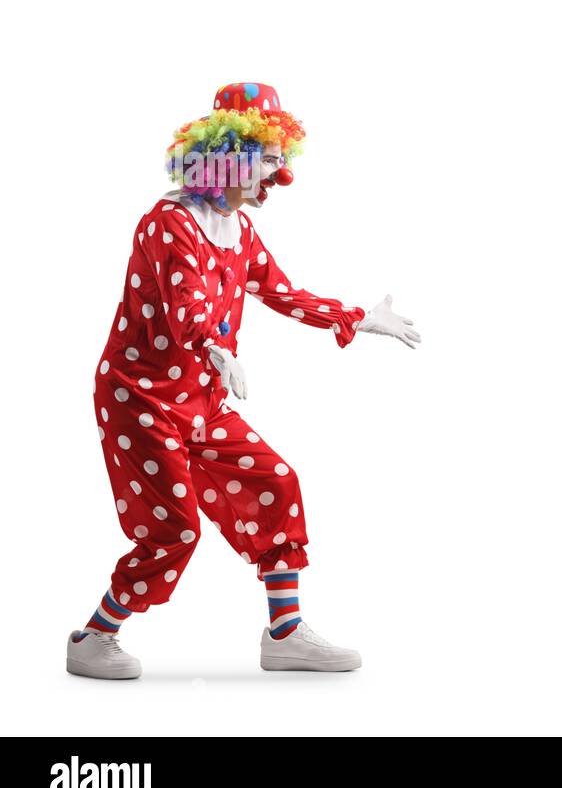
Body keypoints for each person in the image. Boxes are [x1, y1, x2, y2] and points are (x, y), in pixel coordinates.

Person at [69, 82, 421, 680]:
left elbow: (281, 293)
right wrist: (213, 345)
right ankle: (93, 637)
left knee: (275, 482)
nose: (281, 176)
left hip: (202, 397)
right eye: (270, 160)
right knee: (173, 531)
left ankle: (285, 633)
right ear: (228, 159)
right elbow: (183, 301)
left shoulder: (240, 231)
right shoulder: (168, 223)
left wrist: (358, 317)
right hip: (140, 397)